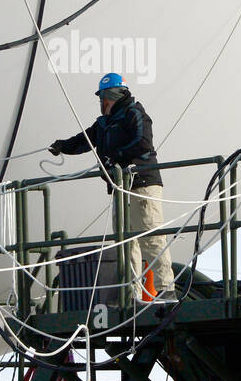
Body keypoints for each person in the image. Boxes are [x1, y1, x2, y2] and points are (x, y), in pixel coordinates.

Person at [49, 74, 174, 301]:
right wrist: (62, 146)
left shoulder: (134, 113)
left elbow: (143, 143)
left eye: (104, 97)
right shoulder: (104, 123)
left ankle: (167, 289)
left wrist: (115, 158)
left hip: (141, 184)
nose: (102, 102)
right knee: (126, 243)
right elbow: (84, 140)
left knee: (150, 237)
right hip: (120, 189)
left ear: (114, 95)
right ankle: (132, 294)